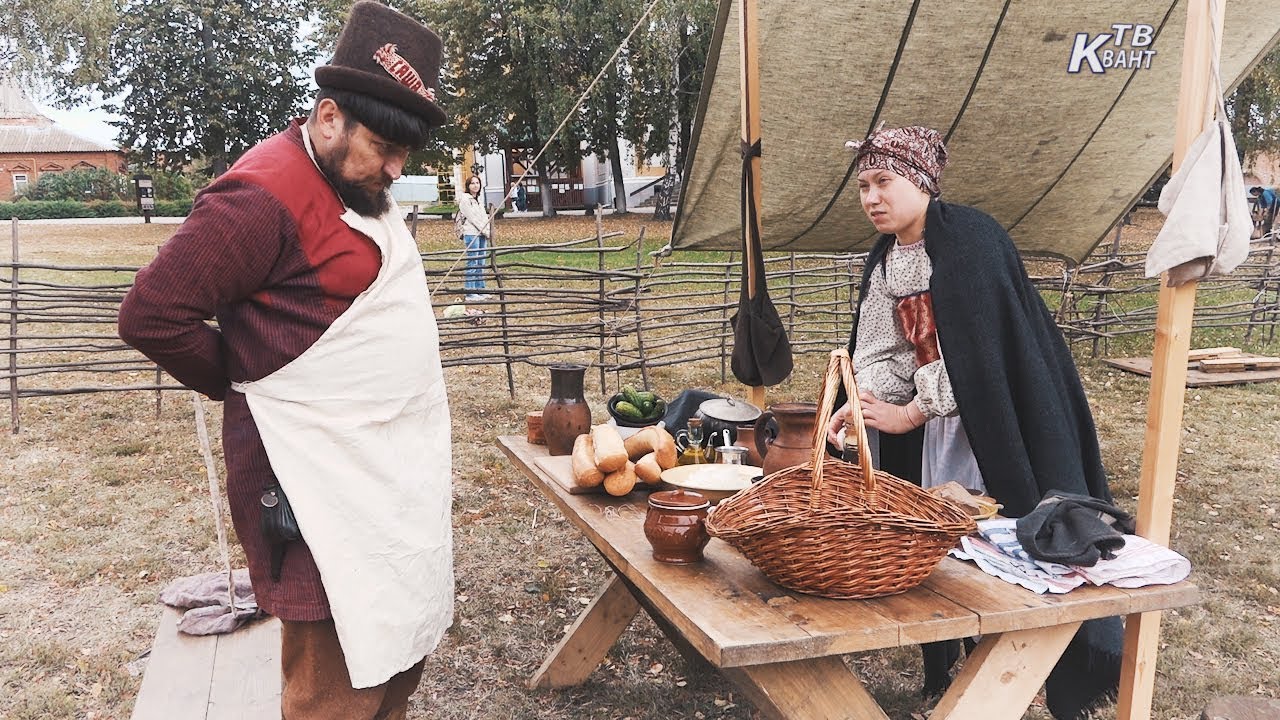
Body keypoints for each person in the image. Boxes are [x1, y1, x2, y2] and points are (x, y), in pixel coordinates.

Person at [117, 3, 453, 717]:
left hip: (387, 467)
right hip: (314, 478)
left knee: (395, 659)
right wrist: (250, 384)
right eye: (386, 146)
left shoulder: (352, 182)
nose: (397, 168)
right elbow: (152, 313)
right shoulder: (260, 199)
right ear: (329, 117)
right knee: (336, 684)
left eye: (406, 153)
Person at [825, 126, 1119, 720]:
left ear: (922, 182)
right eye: (863, 186)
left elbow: (981, 358)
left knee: (1011, 536)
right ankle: (963, 655)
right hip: (939, 425)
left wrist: (911, 411)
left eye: (885, 182)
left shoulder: (971, 243)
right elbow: (883, 349)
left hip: (1002, 415)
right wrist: (865, 404)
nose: (872, 198)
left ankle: (1038, 659)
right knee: (949, 535)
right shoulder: (886, 259)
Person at [457, 174, 492, 300]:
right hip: (472, 233)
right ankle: (470, 292)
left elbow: (483, 217)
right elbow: (473, 218)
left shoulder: (478, 199)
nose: (475, 185)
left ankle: (480, 289)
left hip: (482, 233)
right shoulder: (465, 199)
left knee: (481, 262)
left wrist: (487, 230)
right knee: (473, 261)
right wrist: (484, 230)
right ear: (468, 186)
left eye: (477, 183)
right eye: (472, 183)